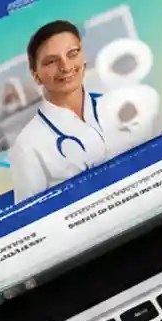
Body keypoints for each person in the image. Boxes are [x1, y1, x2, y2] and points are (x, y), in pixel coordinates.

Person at [9, 20, 112, 203]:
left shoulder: (113, 105)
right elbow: (30, 220)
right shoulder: (27, 147)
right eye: (51, 62)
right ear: (36, 76)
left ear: (84, 57)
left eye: (72, 54)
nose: (65, 67)